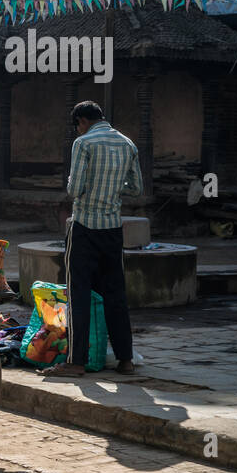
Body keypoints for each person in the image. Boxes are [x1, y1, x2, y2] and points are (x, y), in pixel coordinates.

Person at [46, 101, 142, 378]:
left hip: (85, 227)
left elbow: (75, 189)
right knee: (116, 295)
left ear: (82, 121)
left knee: (78, 294)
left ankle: (76, 361)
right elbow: (136, 188)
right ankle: (125, 360)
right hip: (112, 228)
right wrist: (113, 187)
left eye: (77, 125)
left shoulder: (83, 143)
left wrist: (87, 186)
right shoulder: (128, 144)